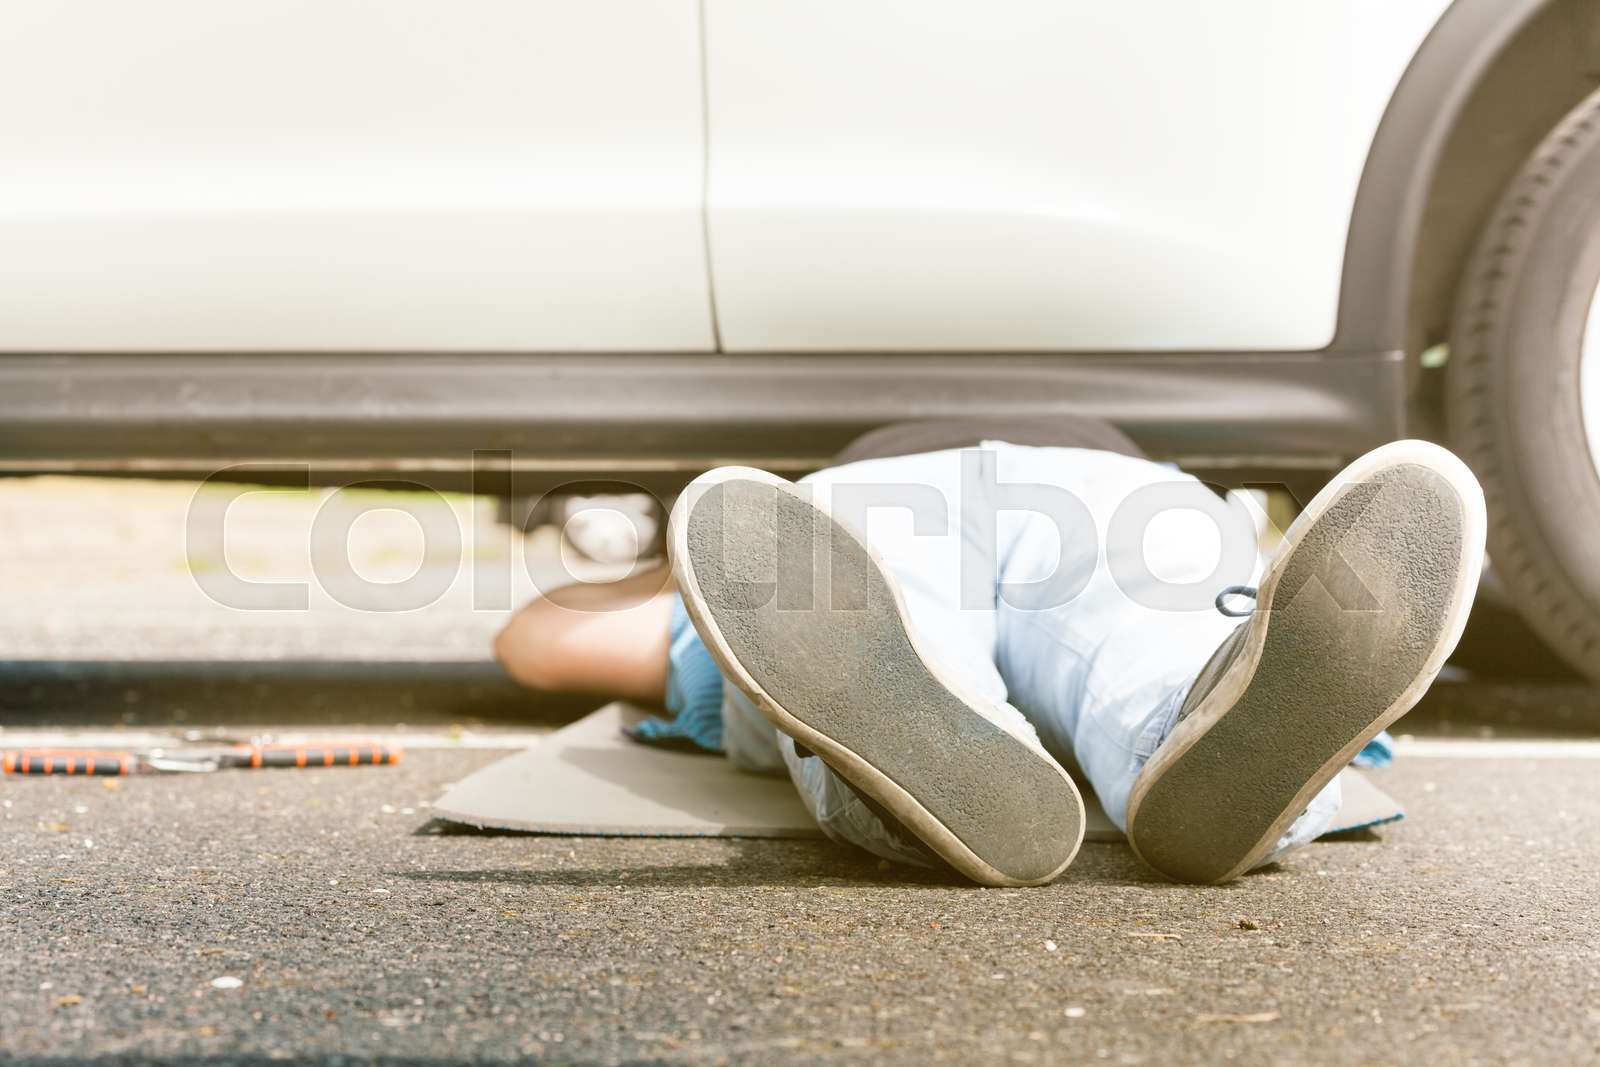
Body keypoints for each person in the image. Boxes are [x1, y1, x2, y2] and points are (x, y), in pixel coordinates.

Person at [495, 419, 1485, 886]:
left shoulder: (801, 533)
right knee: (1160, 655)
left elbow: (537, 641)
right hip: (1117, 491)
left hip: (873, 499)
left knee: (895, 641)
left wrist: (677, 581)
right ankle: (1197, 726)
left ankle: (910, 762)